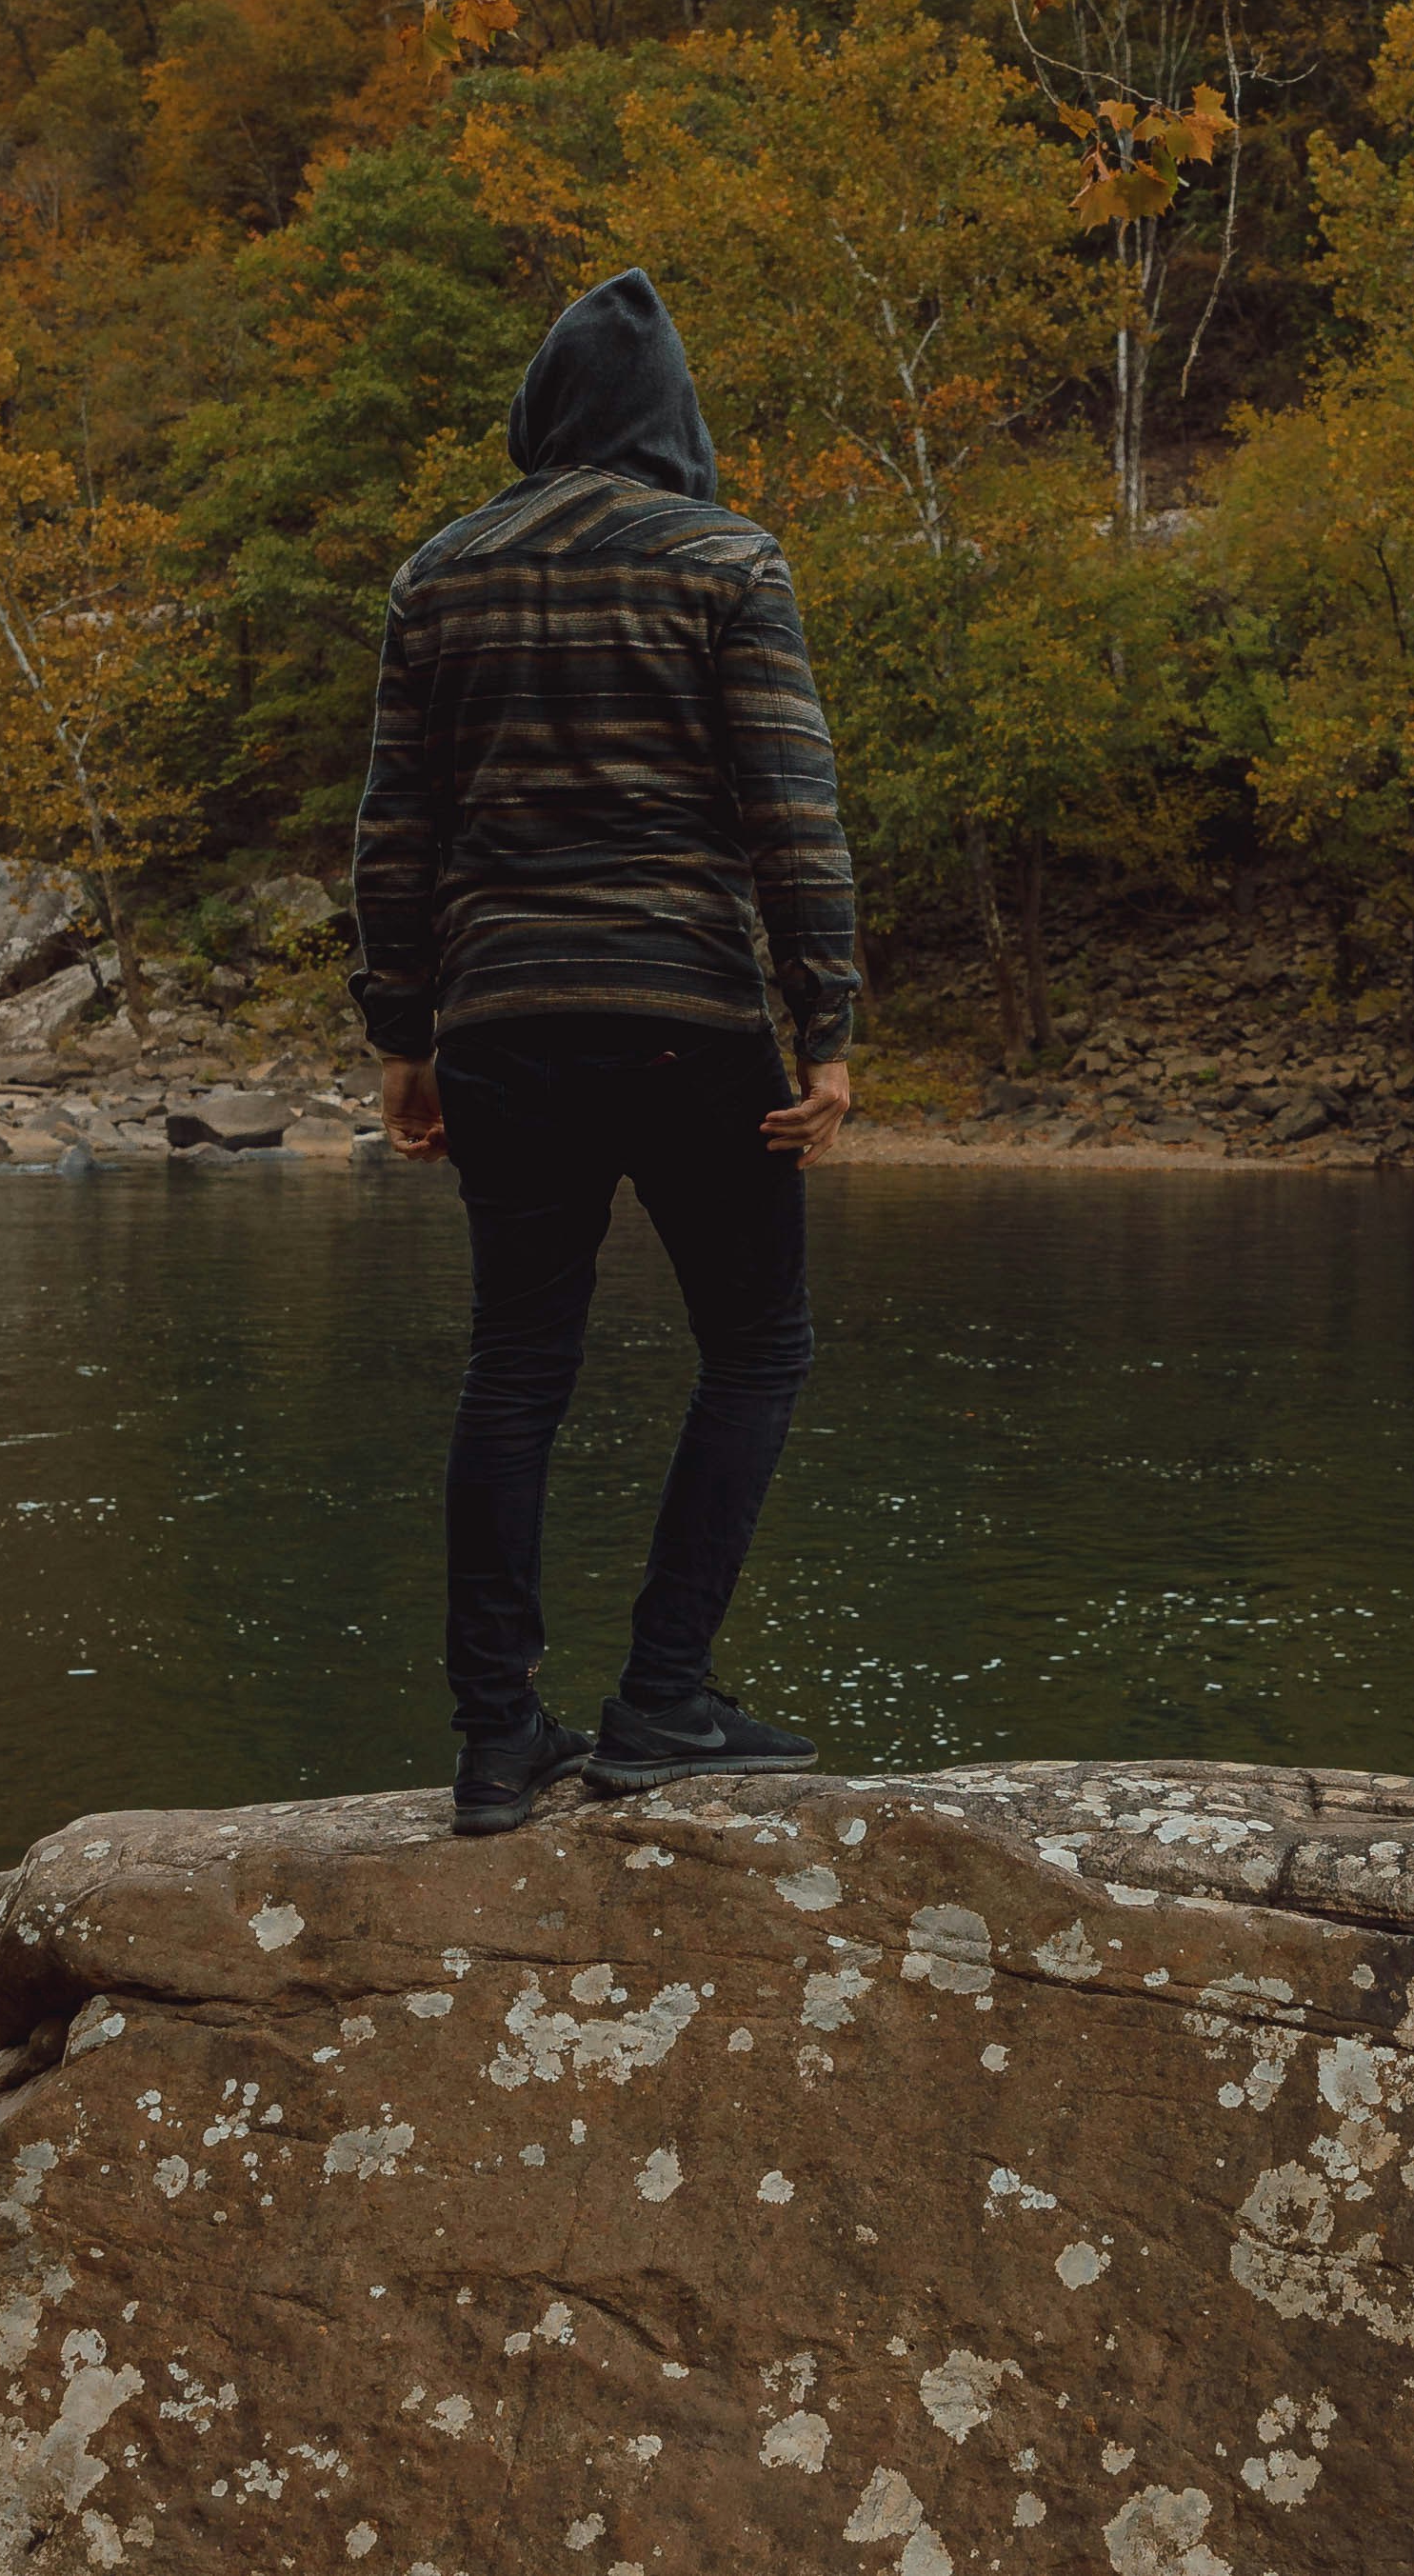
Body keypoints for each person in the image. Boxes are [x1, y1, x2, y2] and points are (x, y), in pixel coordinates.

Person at [349, 268, 859, 1836]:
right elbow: (791, 806)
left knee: (517, 1365)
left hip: (502, 1023)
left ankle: (498, 1741)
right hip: (685, 1016)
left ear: (545, 410)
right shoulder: (728, 560)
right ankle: (662, 1699)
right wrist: (826, 1027)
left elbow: (396, 831)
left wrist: (405, 1036)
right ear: (674, 416)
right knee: (757, 1345)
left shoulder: (440, 574)